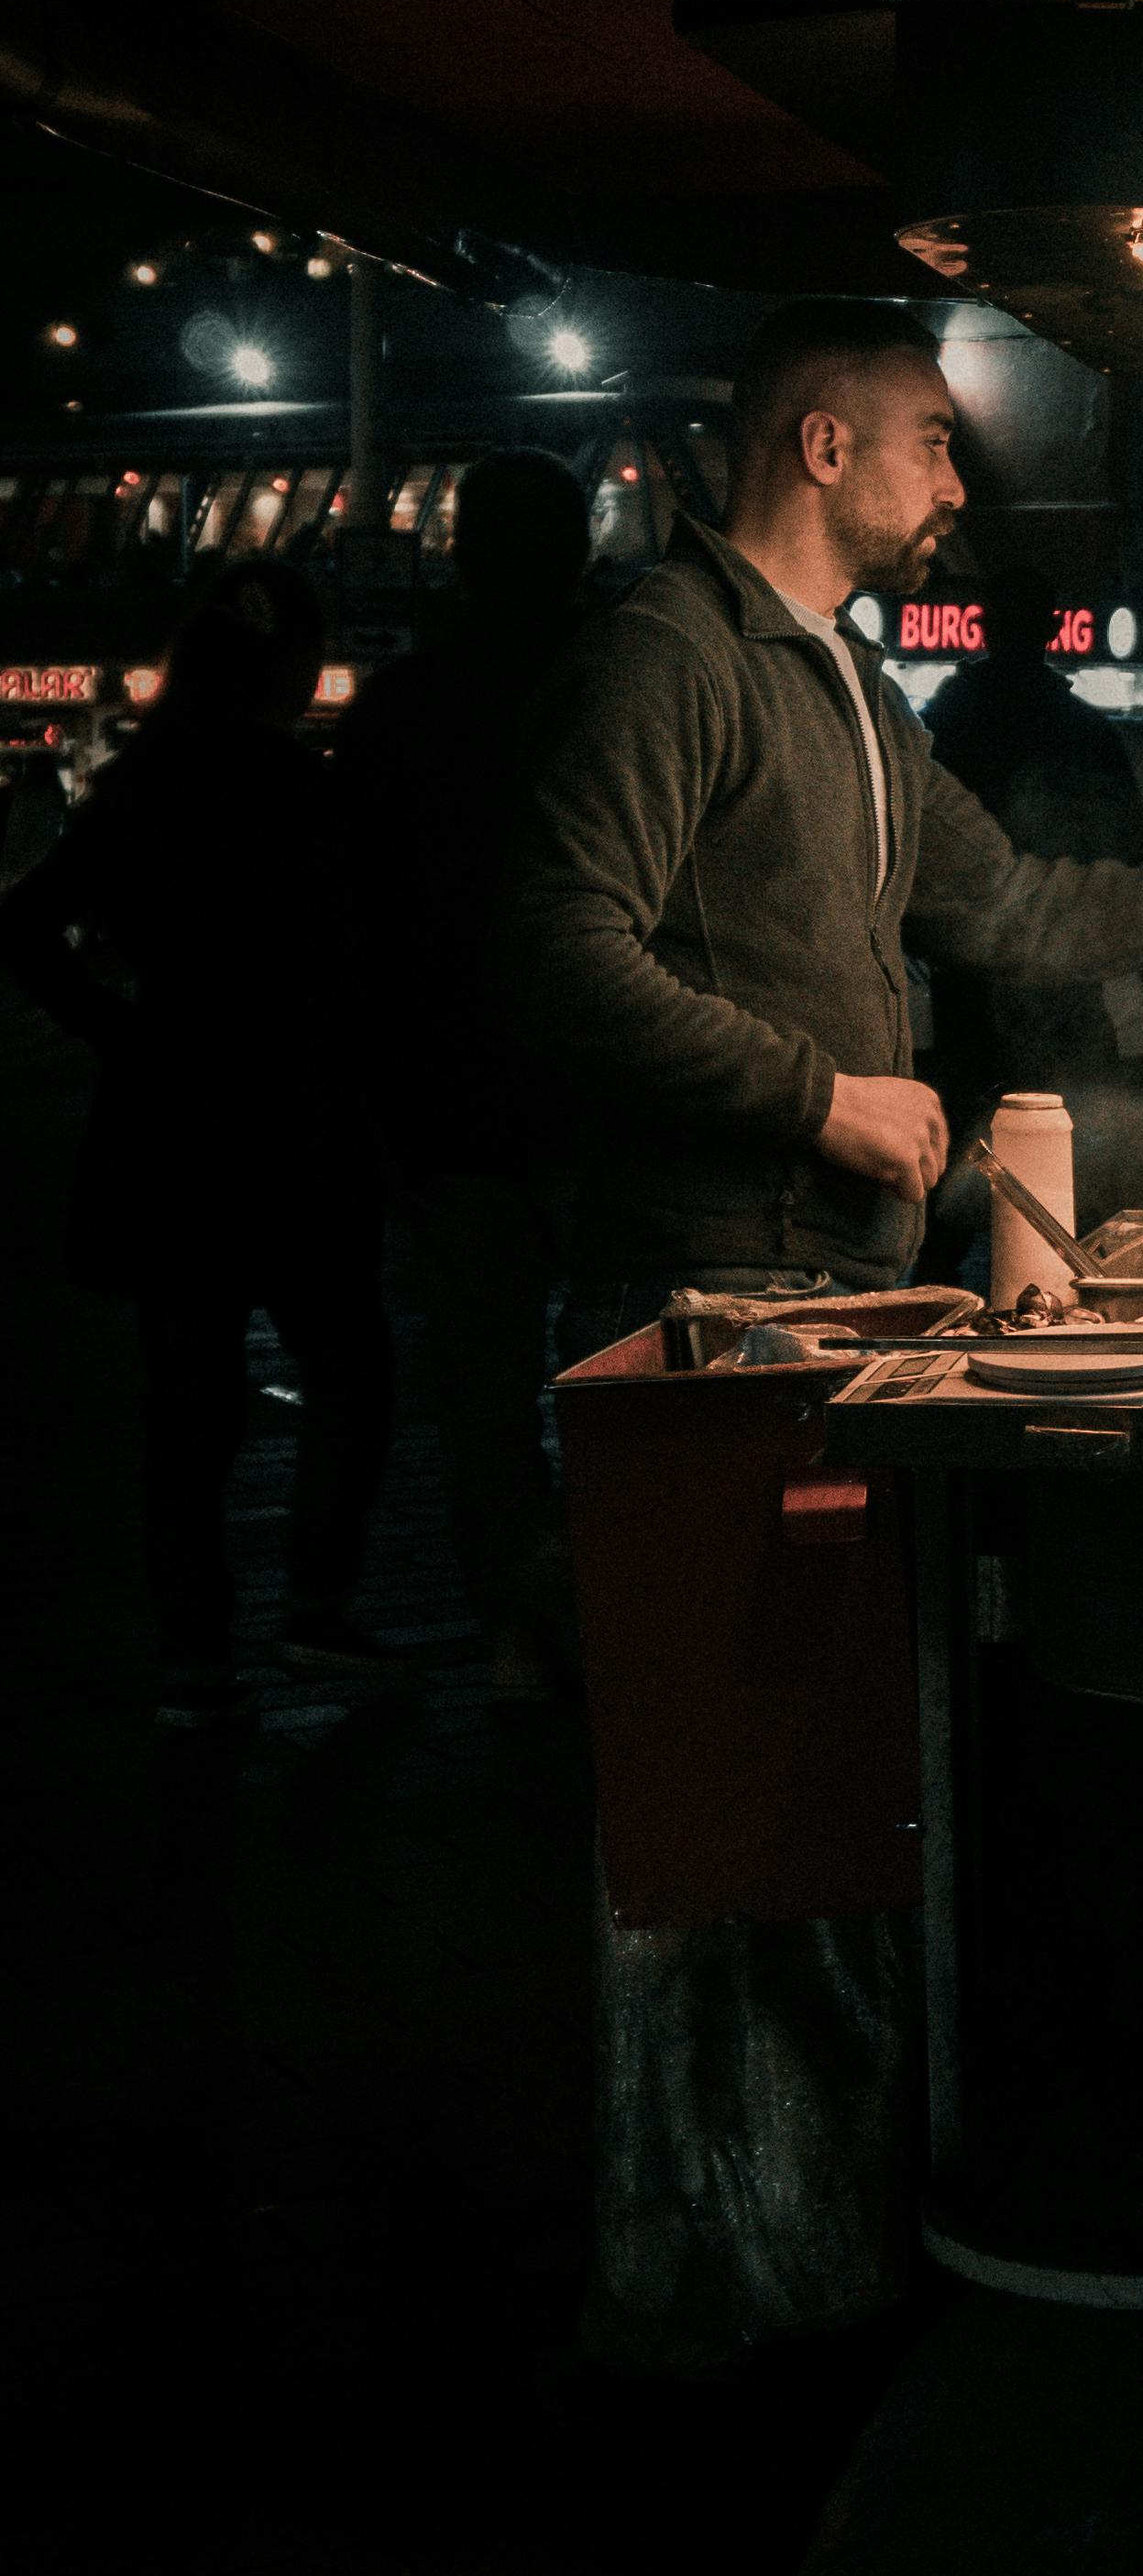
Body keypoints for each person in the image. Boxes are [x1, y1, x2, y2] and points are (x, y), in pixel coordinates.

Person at [506, 300, 1143, 1330]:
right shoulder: (670, 655)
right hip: (710, 1286)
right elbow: (557, 952)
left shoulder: (857, 684)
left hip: (826, 1276)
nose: (956, 486)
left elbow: (1012, 905)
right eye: (932, 442)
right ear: (826, 447)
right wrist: (825, 1099)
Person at [0, 560, 399, 1715]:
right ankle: (317, 1610)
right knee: (350, 1370)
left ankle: (194, 1650)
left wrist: (117, 1030)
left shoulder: (142, 785)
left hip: (172, 1122)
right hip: (299, 1125)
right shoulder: (303, 790)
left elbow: (25, 925)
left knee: (187, 1402)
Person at [333, 451, 589, 1695]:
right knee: (622, 1363)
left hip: (454, 1102)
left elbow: (355, 924)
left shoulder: (404, 709)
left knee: (486, 1396)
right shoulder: (612, 686)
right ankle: (615, 1602)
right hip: (602, 1093)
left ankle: (522, 1624)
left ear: (460, 552)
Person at [920, 560, 1143, 1222]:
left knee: (964, 1172)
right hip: (1044, 980)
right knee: (1075, 1169)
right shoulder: (1079, 728)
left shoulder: (946, 724)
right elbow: (1128, 844)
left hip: (979, 984)